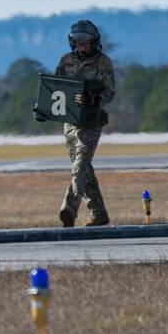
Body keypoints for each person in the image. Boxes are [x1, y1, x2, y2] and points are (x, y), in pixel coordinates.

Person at [55, 20, 115, 227]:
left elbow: (109, 92)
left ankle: (69, 208)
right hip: (70, 123)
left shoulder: (103, 63)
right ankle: (99, 214)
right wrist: (45, 108)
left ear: (94, 42)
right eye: (78, 42)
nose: (82, 46)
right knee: (84, 169)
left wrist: (94, 99)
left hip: (90, 122)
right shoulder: (65, 61)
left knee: (80, 165)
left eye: (86, 42)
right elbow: (56, 89)